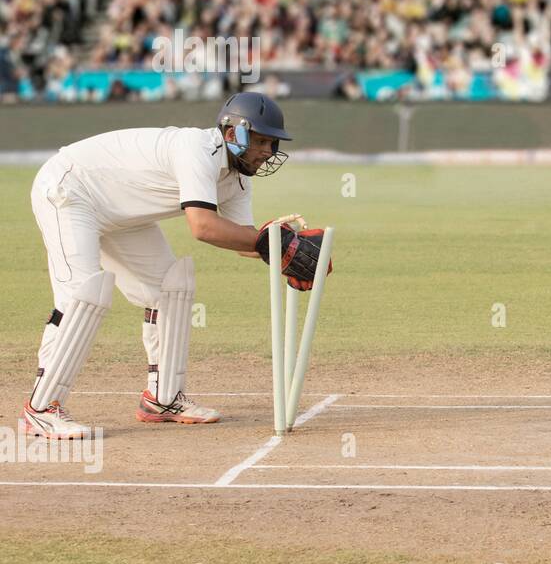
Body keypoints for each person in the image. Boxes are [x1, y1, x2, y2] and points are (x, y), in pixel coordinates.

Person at [22, 93, 331, 438]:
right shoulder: (197, 151)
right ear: (233, 133)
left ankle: (163, 398)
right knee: (84, 296)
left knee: (171, 287)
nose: (266, 151)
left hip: (122, 214)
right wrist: (270, 245)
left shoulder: (238, 179)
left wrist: (283, 250)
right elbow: (203, 227)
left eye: (272, 143)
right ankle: (41, 408)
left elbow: (242, 239)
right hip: (71, 190)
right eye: (260, 141)